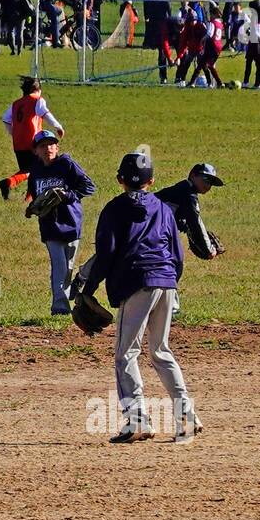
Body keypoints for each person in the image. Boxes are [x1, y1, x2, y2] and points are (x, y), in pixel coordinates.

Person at [81, 152, 201, 443]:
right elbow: (178, 254)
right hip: (166, 282)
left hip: (137, 283)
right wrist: (170, 283)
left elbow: (107, 254)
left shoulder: (113, 209)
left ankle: (136, 421)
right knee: (161, 350)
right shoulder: (162, 207)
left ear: (120, 179)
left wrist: (88, 288)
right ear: (152, 181)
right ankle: (186, 416)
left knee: (126, 354)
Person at [26, 129, 95, 316]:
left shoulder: (67, 164)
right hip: (49, 226)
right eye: (42, 145)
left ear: (57, 147)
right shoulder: (36, 171)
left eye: (51, 144)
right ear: (36, 151)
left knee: (68, 268)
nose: (48, 148)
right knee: (59, 265)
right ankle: (60, 308)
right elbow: (35, 195)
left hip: (71, 223)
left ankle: (71, 291)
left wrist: (67, 195)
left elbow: (89, 187)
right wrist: (33, 208)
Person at [0, 75, 64, 200]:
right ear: (38, 90)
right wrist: (58, 126)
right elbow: (45, 113)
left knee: (30, 170)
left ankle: (29, 198)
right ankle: (9, 182)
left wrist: (14, 132)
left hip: (18, 143)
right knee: (35, 169)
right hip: (33, 142)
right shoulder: (37, 100)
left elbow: (6, 119)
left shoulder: (16, 104)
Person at [143, 0, 173, 82]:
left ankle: (148, 43)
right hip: (162, 20)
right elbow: (167, 4)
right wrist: (169, 16)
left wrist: (146, 16)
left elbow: (145, 2)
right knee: (163, 48)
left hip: (152, 21)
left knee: (157, 45)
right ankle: (164, 75)